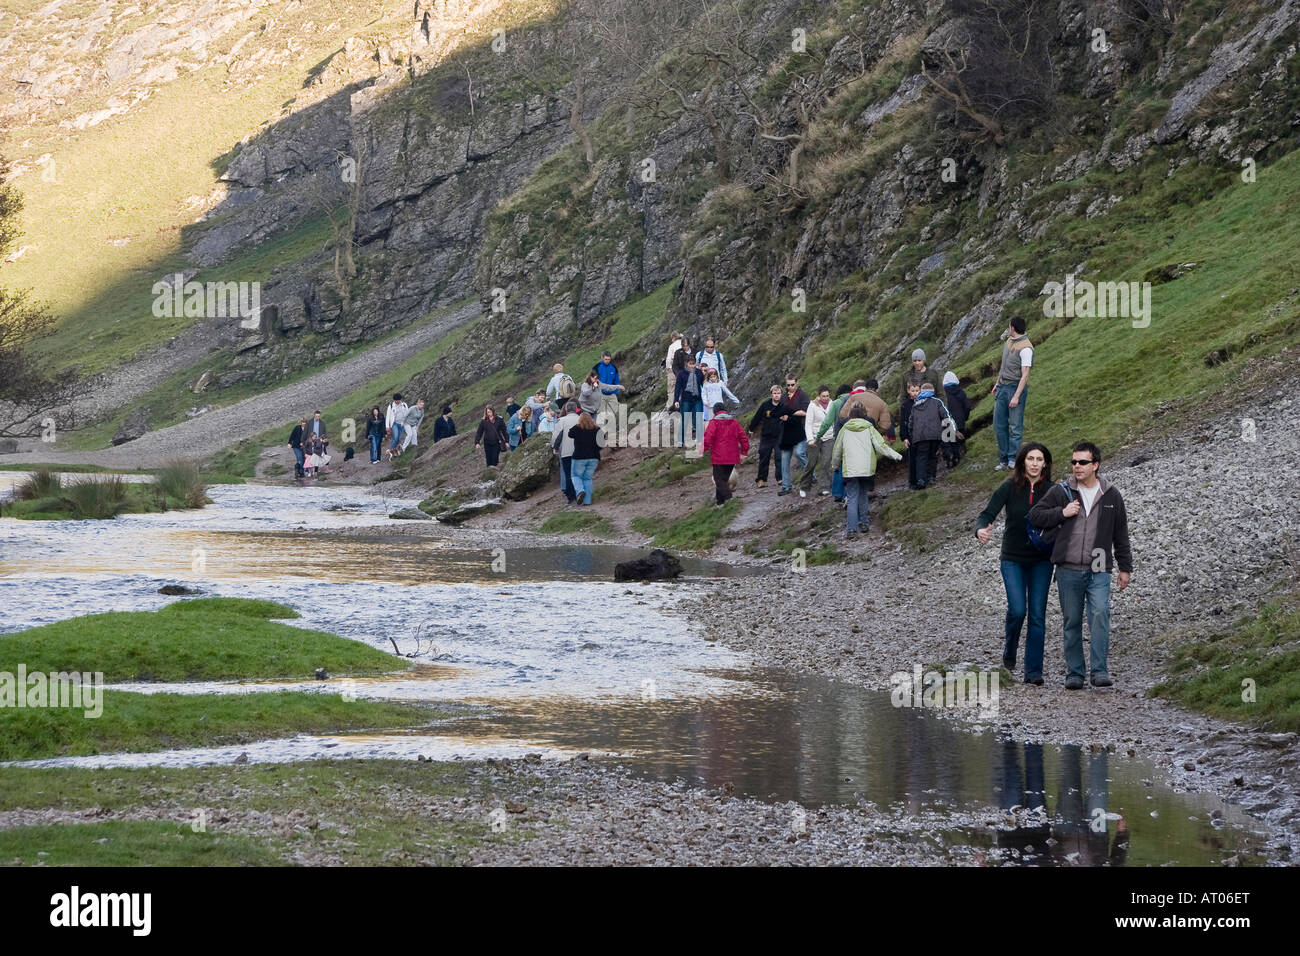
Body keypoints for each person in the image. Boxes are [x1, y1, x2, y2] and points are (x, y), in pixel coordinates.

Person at [1029, 442, 1133, 689]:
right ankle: (1074, 673)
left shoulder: (1111, 494)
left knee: (1100, 615)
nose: (1077, 466)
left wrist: (1125, 568)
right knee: (1072, 621)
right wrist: (1061, 513)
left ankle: (1099, 671)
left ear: (1095, 465)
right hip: (1068, 566)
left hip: (1099, 564)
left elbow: (1121, 534)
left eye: (1082, 462)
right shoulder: (1061, 491)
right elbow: (1035, 516)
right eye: (1074, 462)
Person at [975, 442, 1055, 685]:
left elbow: (1065, 520)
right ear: (1022, 462)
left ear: (1045, 464)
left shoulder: (1053, 491)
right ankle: (1010, 651)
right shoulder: (1009, 487)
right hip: (1012, 559)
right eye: (1030, 458)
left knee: (1038, 615)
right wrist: (980, 529)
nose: (1034, 463)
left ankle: (1033, 672)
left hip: (1042, 560)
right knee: (1018, 609)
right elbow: (987, 513)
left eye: (1038, 459)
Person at [831, 407, 901, 537]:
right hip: (866, 469)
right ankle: (864, 523)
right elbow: (881, 446)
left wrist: (834, 465)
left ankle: (851, 529)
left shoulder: (844, 430)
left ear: (850, 417)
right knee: (863, 495)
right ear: (864, 416)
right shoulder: (869, 428)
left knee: (852, 498)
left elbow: (837, 451)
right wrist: (896, 455)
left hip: (850, 470)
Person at [991, 315, 1033, 470]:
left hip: (1015, 388)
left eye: (1009, 326)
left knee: (1015, 426)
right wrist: (997, 383)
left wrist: (1016, 396)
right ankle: (1003, 458)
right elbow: (1003, 366)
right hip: (1002, 386)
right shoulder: (1009, 342)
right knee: (999, 424)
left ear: (1013, 328)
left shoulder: (1026, 348)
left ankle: (1013, 459)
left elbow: (1025, 374)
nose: (1009, 329)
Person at [702, 401, 749, 505]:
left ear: (715, 412)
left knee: (718, 480)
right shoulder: (734, 422)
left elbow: (708, 438)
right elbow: (743, 437)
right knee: (723, 479)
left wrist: (702, 450)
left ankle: (730, 499)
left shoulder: (714, 423)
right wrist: (744, 451)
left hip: (719, 457)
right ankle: (720, 503)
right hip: (732, 457)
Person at [906, 382, 952, 489]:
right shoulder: (937, 402)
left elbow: (910, 423)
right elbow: (946, 416)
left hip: (920, 437)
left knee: (921, 457)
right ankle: (931, 477)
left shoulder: (915, 405)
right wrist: (949, 432)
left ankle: (921, 479)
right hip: (935, 435)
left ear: (921, 391)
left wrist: (912, 436)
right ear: (933, 392)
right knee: (932, 456)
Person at [748, 385, 789, 489]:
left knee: (779, 457)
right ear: (771, 394)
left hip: (780, 435)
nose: (776, 395)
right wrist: (751, 428)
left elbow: (791, 417)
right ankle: (761, 479)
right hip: (766, 436)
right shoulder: (765, 405)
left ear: (781, 394)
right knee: (764, 457)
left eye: (778, 393)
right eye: (774, 393)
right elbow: (757, 417)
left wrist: (787, 418)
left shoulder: (784, 405)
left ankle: (780, 478)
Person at [778, 375, 809, 497]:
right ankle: (786, 486)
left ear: (797, 383)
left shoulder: (803, 395)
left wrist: (789, 413)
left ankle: (811, 474)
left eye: (792, 384)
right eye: (788, 385)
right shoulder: (784, 397)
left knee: (800, 453)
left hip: (800, 428)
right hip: (786, 430)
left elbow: (805, 411)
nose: (790, 387)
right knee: (785, 458)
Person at [800, 386, 832, 497]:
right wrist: (810, 439)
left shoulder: (832, 404)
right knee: (811, 463)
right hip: (814, 437)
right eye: (823, 396)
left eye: (827, 396)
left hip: (829, 437)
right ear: (819, 396)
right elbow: (808, 424)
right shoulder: (812, 406)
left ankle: (824, 487)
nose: (826, 398)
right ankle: (804, 486)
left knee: (826, 462)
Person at [567, 411, 603, 505]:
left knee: (575, 476)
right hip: (594, 457)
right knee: (587, 479)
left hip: (579, 457)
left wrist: (577, 424)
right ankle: (587, 501)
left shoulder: (577, 428)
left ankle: (580, 491)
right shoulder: (597, 429)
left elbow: (570, 434)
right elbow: (602, 444)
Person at [673, 354, 707, 447]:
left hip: (697, 399)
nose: (692, 366)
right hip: (685, 400)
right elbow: (678, 388)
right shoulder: (681, 374)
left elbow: (704, 384)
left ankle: (700, 440)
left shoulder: (699, 372)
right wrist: (676, 400)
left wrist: (707, 396)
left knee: (699, 418)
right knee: (685, 420)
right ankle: (680, 441)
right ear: (686, 363)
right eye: (690, 364)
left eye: (693, 364)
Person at [551, 401, 580, 503]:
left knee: (568, 474)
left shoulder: (561, 420)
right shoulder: (582, 419)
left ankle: (571, 497)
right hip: (581, 451)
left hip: (567, 452)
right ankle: (580, 492)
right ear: (576, 409)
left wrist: (555, 447)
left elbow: (556, 436)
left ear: (566, 410)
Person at [942, 371, 971, 467]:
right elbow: (967, 406)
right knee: (959, 439)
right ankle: (960, 457)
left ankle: (951, 459)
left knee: (949, 440)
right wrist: (964, 417)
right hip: (960, 421)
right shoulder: (961, 392)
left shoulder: (943, 395)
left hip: (947, 422)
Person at [593, 352, 624, 436]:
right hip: (601, 394)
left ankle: (611, 433)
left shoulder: (613, 368)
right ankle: (600, 434)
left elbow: (616, 380)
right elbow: (593, 380)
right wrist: (596, 390)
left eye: (609, 359)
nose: (607, 361)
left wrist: (616, 391)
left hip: (611, 394)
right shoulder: (597, 367)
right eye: (606, 359)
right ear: (602, 358)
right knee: (601, 414)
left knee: (612, 413)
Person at [899, 381, 921, 489]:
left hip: (923, 434)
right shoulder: (905, 405)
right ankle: (913, 482)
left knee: (922, 457)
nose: (915, 393)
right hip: (911, 435)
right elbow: (902, 422)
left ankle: (923, 478)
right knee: (912, 459)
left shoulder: (923, 402)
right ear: (908, 391)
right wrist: (904, 437)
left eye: (917, 390)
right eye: (913, 391)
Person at [665, 333, 684, 411]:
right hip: (683, 369)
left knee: (672, 388)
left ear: (673, 338)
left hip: (673, 369)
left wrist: (668, 368)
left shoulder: (672, 346)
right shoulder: (684, 344)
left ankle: (670, 406)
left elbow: (669, 359)